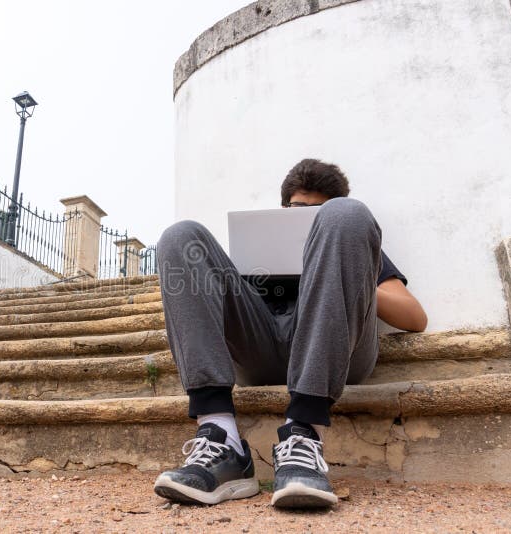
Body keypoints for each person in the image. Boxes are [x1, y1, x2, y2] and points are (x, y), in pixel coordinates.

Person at [152, 159, 427, 508]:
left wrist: (341, 276)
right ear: (284, 209)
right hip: (262, 347)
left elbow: (414, 318)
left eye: (318, 212)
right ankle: (221, 436)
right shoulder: (256, 248)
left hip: (335, 352)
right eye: (299, 210)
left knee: (349, 215)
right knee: (180, 236)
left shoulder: (342, 233)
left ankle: (304, 433)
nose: (308, 218)